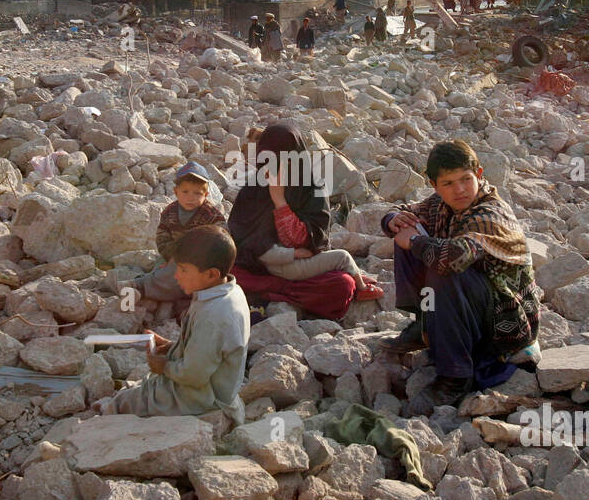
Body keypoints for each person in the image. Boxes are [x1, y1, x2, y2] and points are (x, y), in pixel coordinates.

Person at [380, 140, 541, 415]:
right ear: (435, 185)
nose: (460, 190)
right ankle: (425, 324)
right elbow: (410, 211)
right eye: (449, 183)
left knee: (440, 264)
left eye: (466, 179)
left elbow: (456, 256)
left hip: (506, 320)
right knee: (408, 230)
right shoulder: (441, 205)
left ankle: (455, 376)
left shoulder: (490, 213)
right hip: (467, 307)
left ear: (479, 175)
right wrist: (393, 219)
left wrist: (415, 241)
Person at [104, 225, 249, 424]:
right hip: (207, 388)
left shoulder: (214, 315)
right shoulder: (226, 292)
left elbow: (194, 375)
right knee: (136, 389)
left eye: (183, 270)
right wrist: (172, 347)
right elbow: (208, 351)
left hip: (201, 399)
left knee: (120, 404)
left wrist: (164, 367)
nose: (176, 276)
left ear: (211, 274)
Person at [227, 124, 357, 321]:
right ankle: (279, 294)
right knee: (221, 266)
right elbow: (239, 239)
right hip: (260, 267)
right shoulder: (254, 188)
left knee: (342, 285)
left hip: (303, 269)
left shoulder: (313, 189)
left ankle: (263, 295)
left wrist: (280, 202)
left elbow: (305, 242)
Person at [129, 161, 226, 306]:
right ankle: (142, 286)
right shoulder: (170, 212)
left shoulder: (211, 215)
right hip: (172, 255)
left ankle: (142, 288)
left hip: (199, 259)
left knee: (184, 276)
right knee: (164, 271)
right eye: (185, 192)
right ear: (176, 192)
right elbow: (162, 236)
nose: (190, 197)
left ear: (205, 194)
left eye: (197, 193)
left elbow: (221, 237)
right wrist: (172, 255)